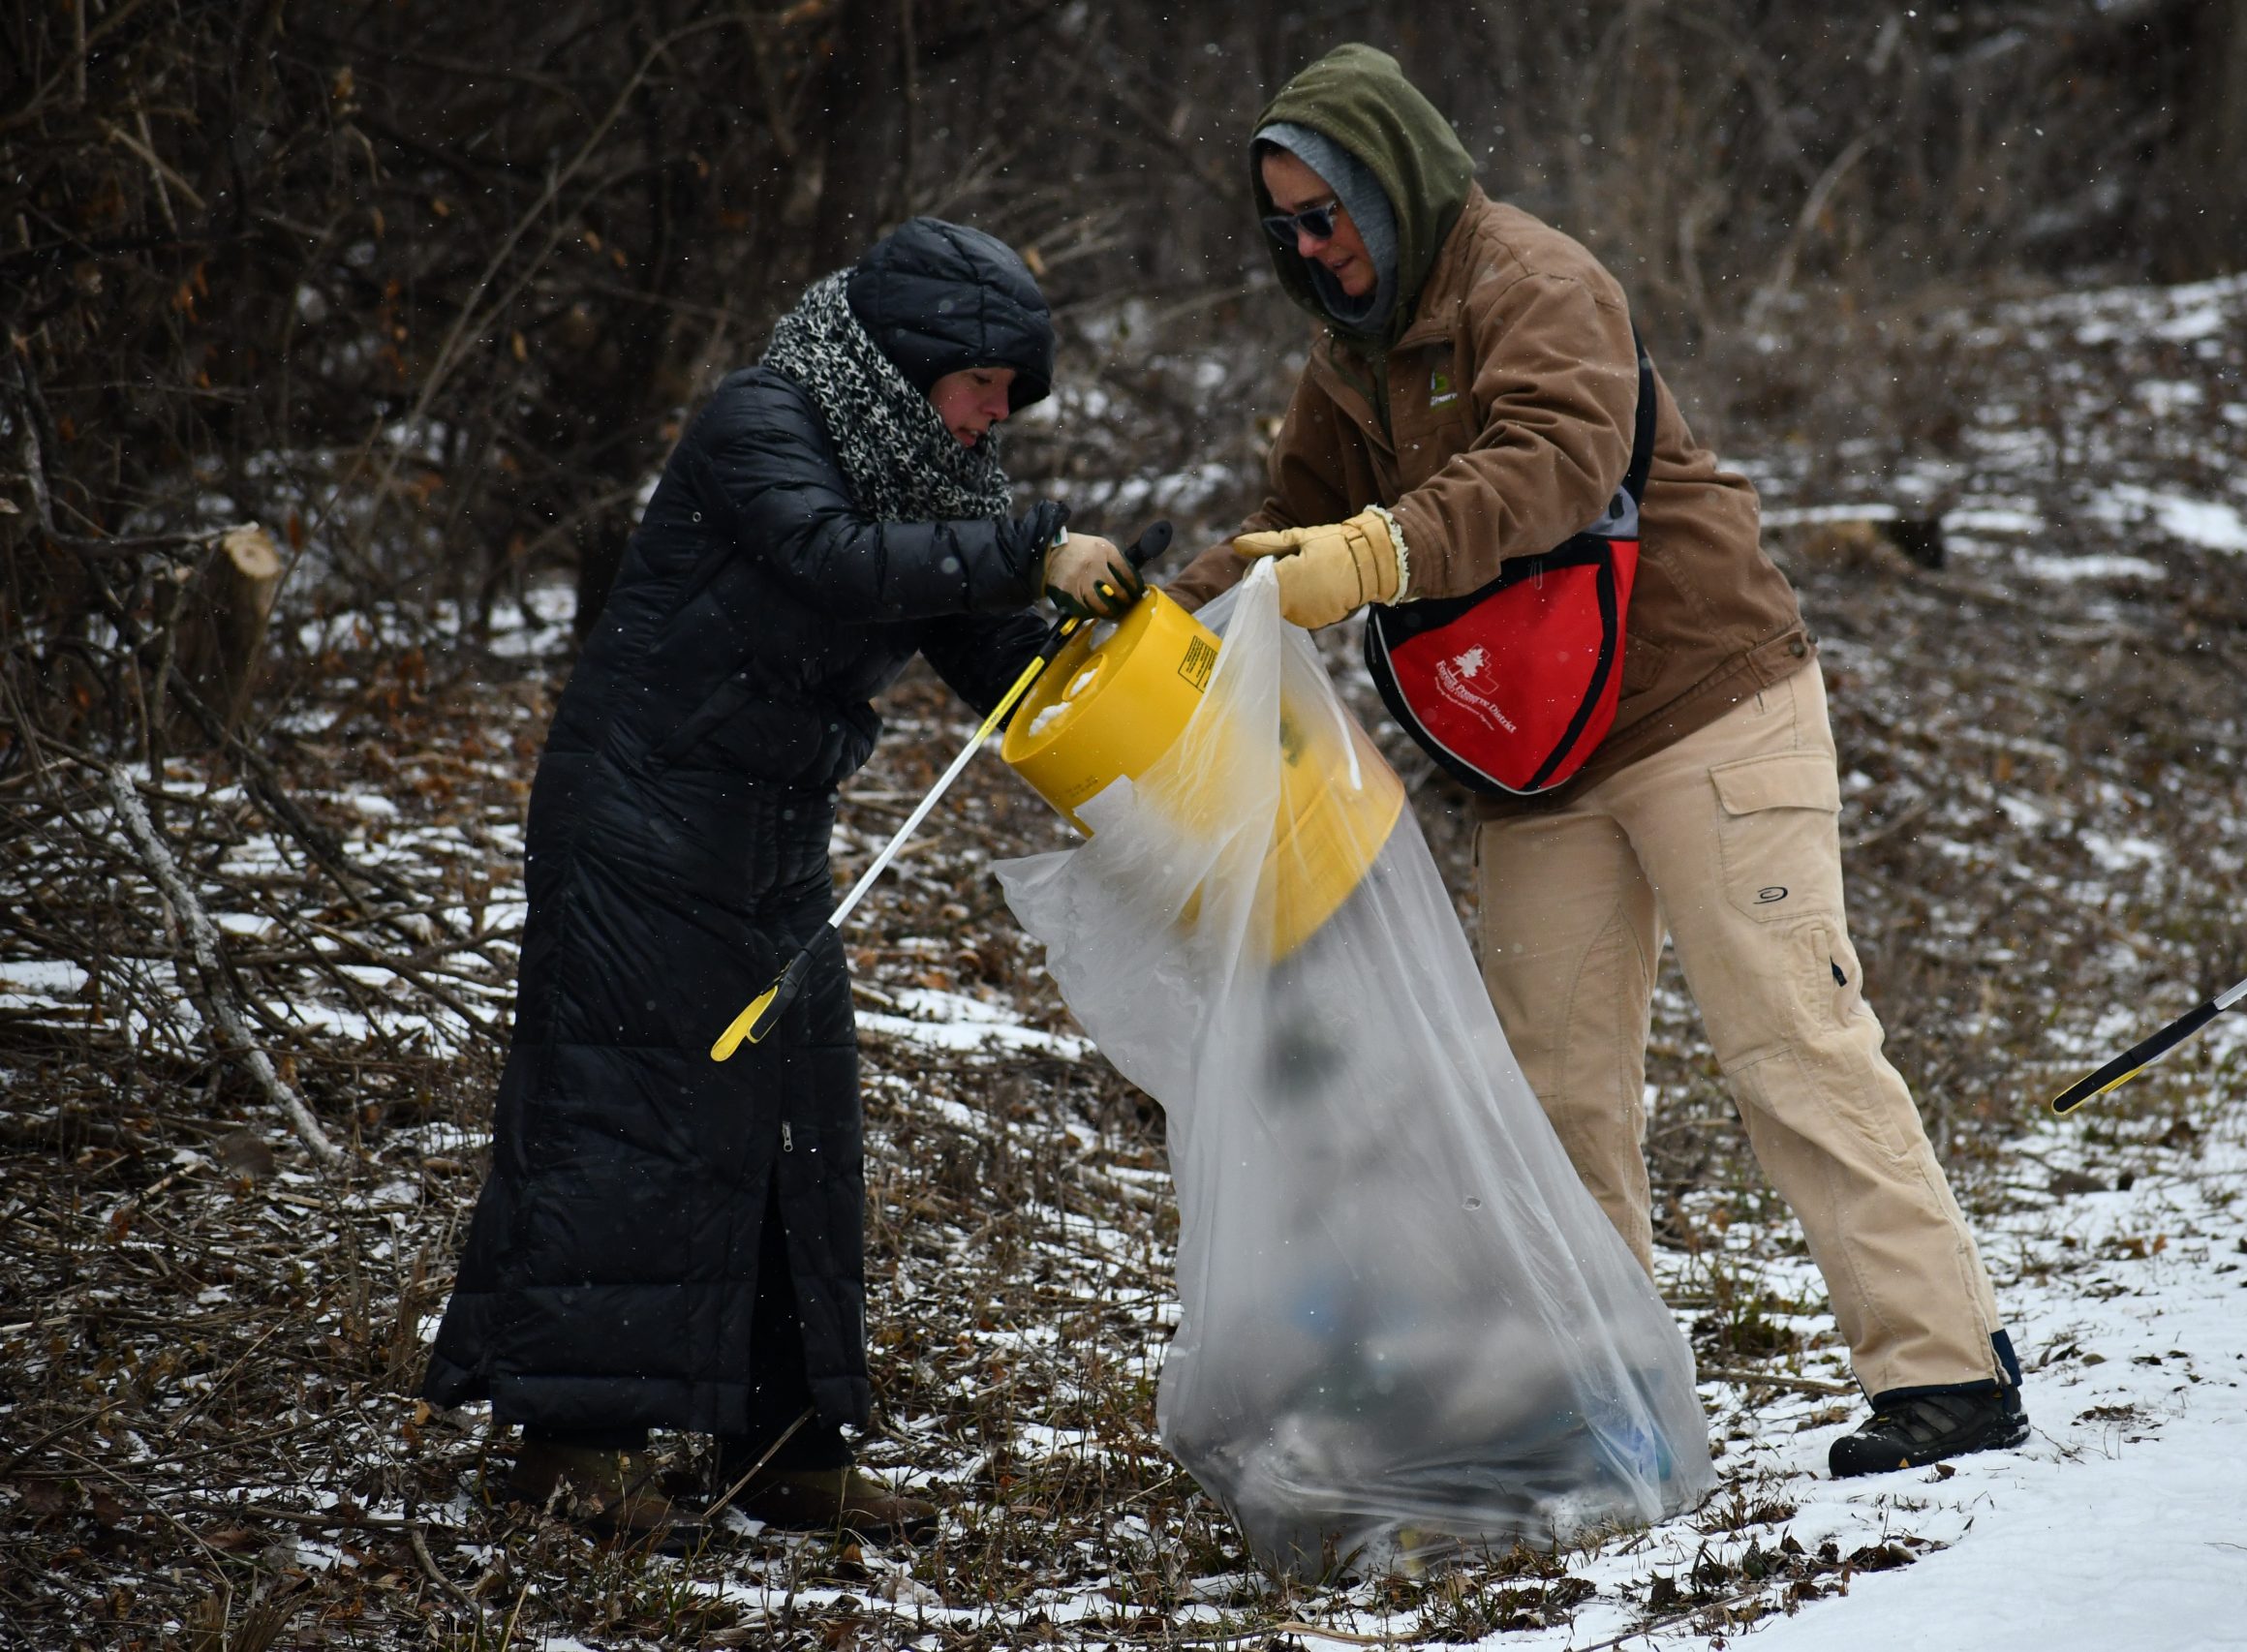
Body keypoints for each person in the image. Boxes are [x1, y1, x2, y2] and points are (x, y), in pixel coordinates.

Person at [1163, 44, 2025, 1477]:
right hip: (1538, 749)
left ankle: (1944, 1371)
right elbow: (1281, 529)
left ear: (1397, 184)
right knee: (1550, 1085)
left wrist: (1380, 552)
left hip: (1706, 700)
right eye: (1290, 227)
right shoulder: (1344, 359)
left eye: (1333, 214)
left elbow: (1560, 454)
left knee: (1787, 1042)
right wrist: (1150, 611)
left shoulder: (1534, 280)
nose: (1317, 248)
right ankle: (1601, 1396)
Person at [422, 217, 1140, 1537]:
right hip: (642, 811)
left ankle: (791, 1451)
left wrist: (1136, 671)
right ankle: (570, 1452)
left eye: (1009, 398)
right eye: (986, 384)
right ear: (921, 354)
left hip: (767, 837)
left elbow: (998, 655)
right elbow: (832, 558)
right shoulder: (766, 420)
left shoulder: (935, 475)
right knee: (634, 1117)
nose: (997, 414)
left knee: (799, 1129)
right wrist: (1026, 544)